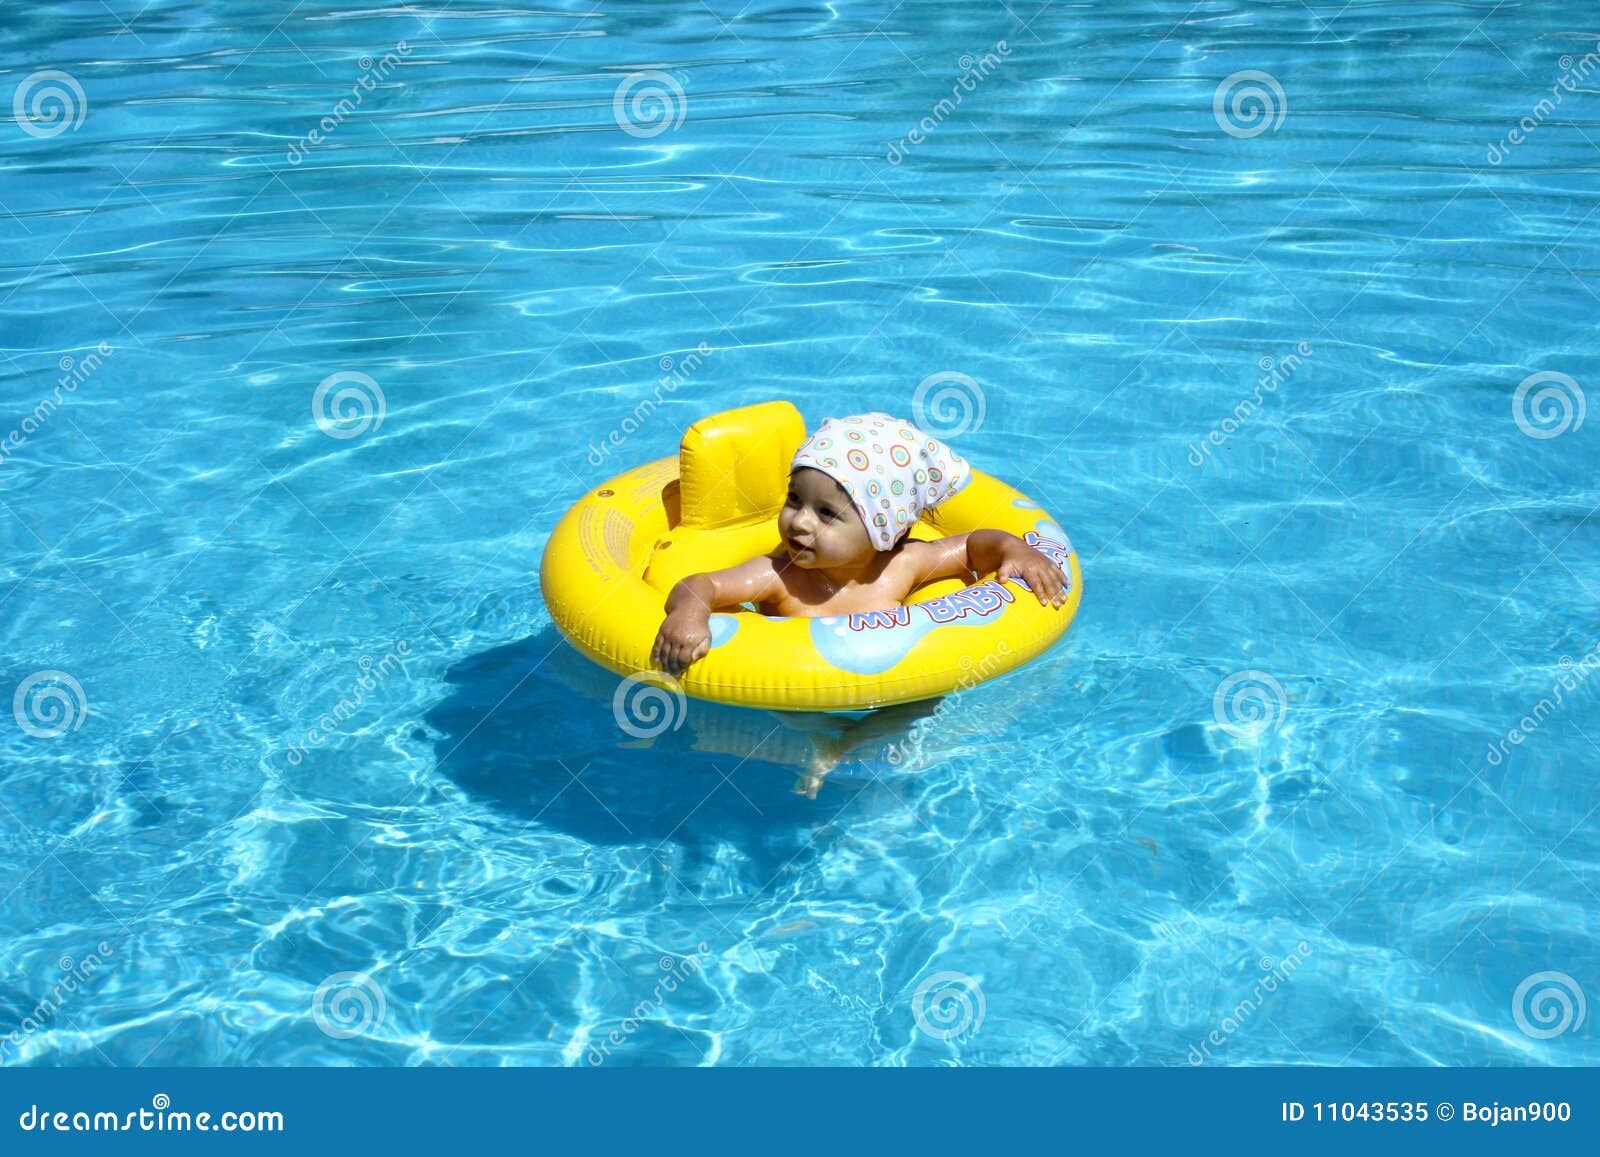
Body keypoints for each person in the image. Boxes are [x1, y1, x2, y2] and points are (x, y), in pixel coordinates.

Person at [650, 411, 1069, 679]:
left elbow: (973, 546)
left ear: (883, 531)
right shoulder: (778, 576)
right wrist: (690, 611)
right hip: (792, 695)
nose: (799, 521)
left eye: (827, 514)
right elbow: (699, 584)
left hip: (890, 693)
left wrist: (1017, 550)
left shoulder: (902, 564)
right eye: (794, 500)